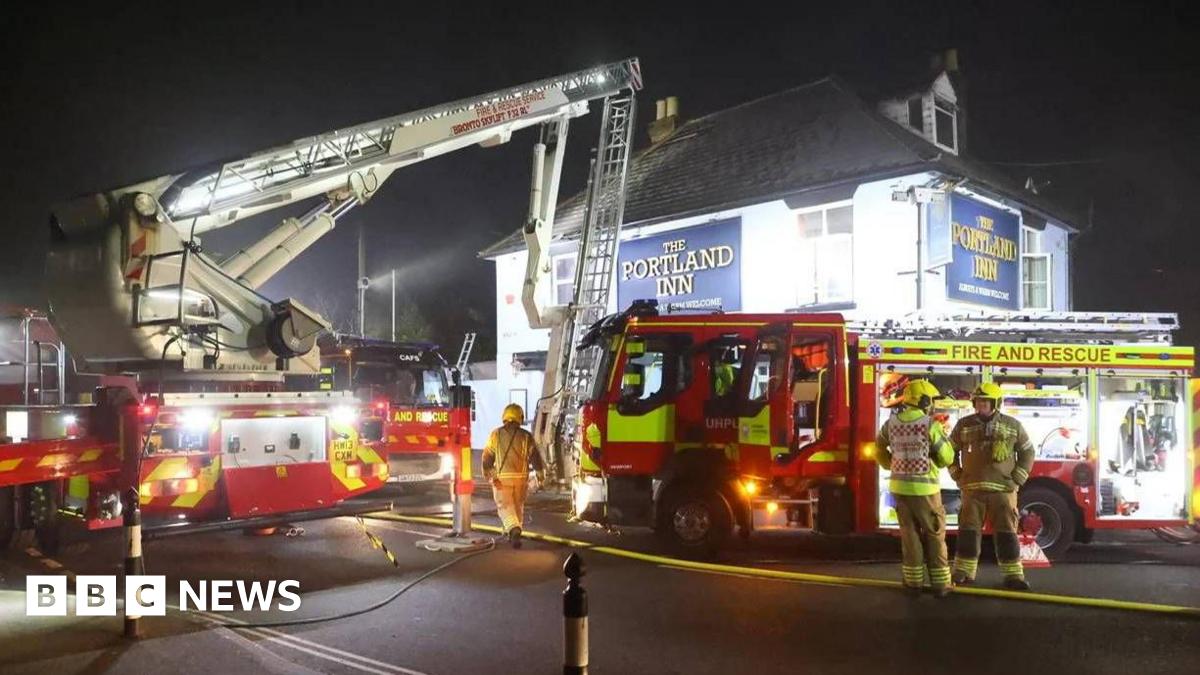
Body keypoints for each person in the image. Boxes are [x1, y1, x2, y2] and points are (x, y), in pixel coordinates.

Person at [949, 382, 1036, 590]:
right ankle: (963, 572)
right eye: (978, 401)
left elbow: (1027, 452)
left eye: (986, 401)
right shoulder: (963, 425)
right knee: (968, 532)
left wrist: (1017, 478)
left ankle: (1013, 575)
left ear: (996, 403)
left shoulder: (1012, 425)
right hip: (972, 490)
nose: (981, 405)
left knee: (1007, 533)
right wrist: (957, 474)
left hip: (1003, 491)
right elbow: (949, 451)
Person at [876, 379, 955, 597]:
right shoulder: (929, 424)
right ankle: (941, 585)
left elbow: (879, 448)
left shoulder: (891, 423)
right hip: (925, 492)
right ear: (923, 400)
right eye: (931, 401)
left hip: (899, 488)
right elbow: (947, 458)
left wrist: (889, 463)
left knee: (909, 537)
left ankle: (913, 584)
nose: (932, 405)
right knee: (934, 535)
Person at [481, 403, 544, 548]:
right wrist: (540, 475)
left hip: (503, 479)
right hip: (521, 479)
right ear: (520, 417)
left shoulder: (496, 434)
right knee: (517, 507)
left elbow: (487, 458)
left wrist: (490, 476)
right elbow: (535, 458)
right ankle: (514, 535)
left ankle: (514, 529)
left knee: (504, 506)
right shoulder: (526, 436)